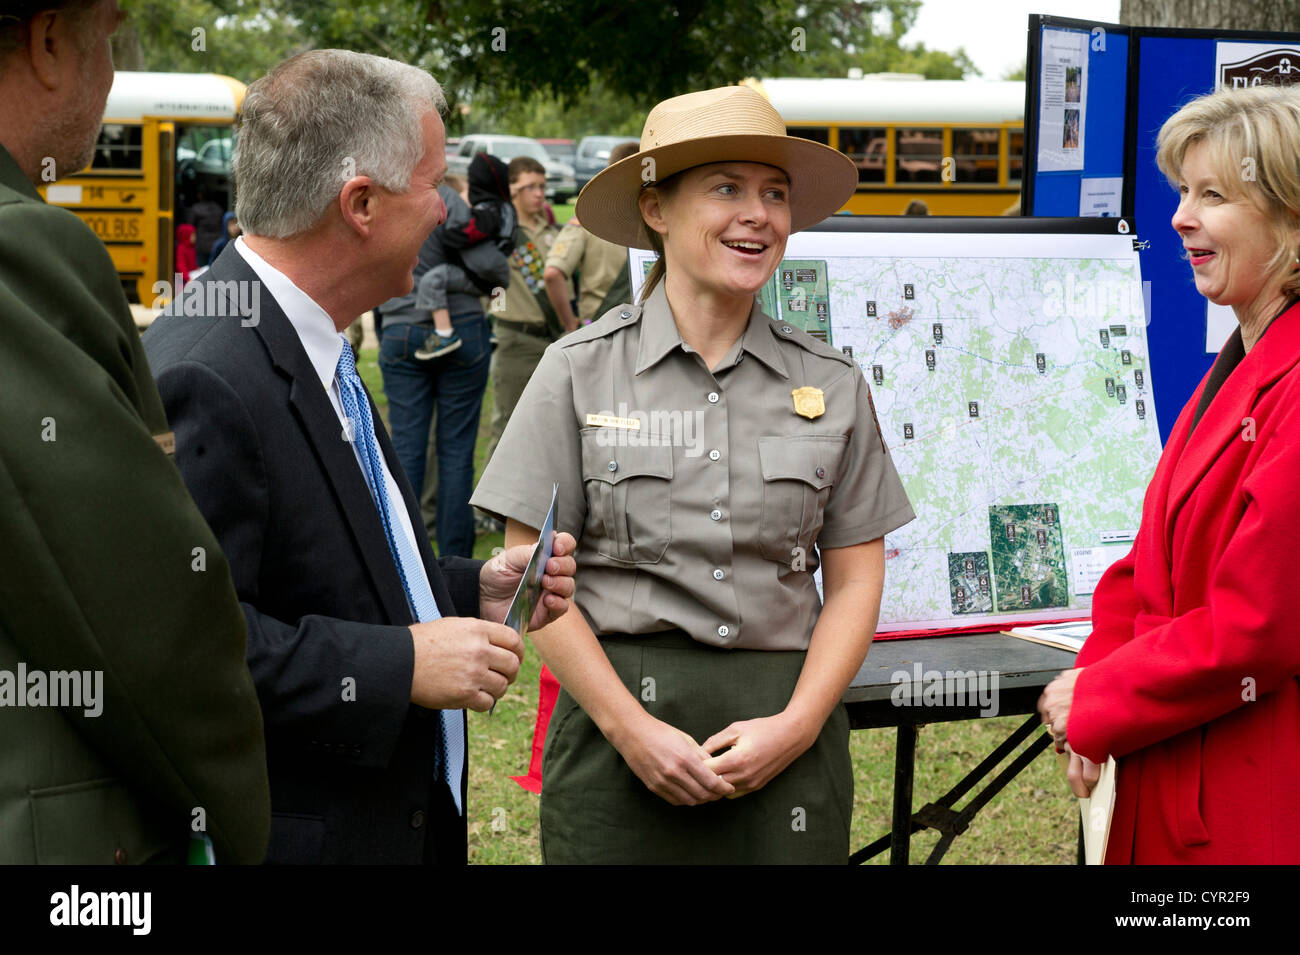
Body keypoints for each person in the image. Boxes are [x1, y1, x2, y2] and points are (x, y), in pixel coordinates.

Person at [142, 49, 576, 864]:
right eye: (435, 183)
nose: (451, 211)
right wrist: (401, 662)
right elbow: (185, 652)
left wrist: (461, 588)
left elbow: (327, 567)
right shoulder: (206, 371)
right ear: (361, 204)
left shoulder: (313, 342)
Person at [471, 85, 914, 863]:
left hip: (784, 734)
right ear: (656, 210)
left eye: (775, 194)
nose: (759, 214)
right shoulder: (576, 373)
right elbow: (532, 581)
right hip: (618, 743)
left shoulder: (834, 384)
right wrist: (630, 729)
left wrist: (799, 724)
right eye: (726, 188)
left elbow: (853, 582)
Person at [0, 0, 269, 864]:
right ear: (48, 42)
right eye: (107, 35)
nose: (111, 73)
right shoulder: (27, 245)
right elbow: (138, 604)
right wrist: (230, 809)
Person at [1039, 84, 1300, 864]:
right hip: (1184, 766)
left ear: (1290, 218)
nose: (1181, 216)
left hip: (1253, 796)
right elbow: (1147, 564)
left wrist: (1103, 699)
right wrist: (1093, 687)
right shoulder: (1243, 361)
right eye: (1183, 191)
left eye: (1213, 195)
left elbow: (1255, 627)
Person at [379, 165, 502, 559]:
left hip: (398, 328)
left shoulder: (380, 199)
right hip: (462, 327)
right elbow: (493, 268)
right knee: (456, 451)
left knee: (405, 450)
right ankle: (457, 563)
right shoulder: (446, 200)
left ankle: (403, 562)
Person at [482, 155, 564, 471]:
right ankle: (489, 513)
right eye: (530, 187)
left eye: (542, 186)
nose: (539, 194)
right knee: (507, 425)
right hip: (515, 339)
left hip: (552, 338)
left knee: (549, 429)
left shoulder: (551, 230)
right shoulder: (500, 232)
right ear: (512, 189)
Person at [413, 153, 515, 361]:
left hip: (486, 269)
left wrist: (451, 235)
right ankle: (491, 327)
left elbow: (473, 231)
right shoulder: (506, 208)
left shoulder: (490, 210)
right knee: (493, 296)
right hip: (494, 274)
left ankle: (444, 334)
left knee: (432, 281)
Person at [542, 141, 638, 331]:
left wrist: (570, 325)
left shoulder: (587, 220)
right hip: (652, 330)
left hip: (600, 329)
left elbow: (553, 274)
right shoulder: (661, 219)